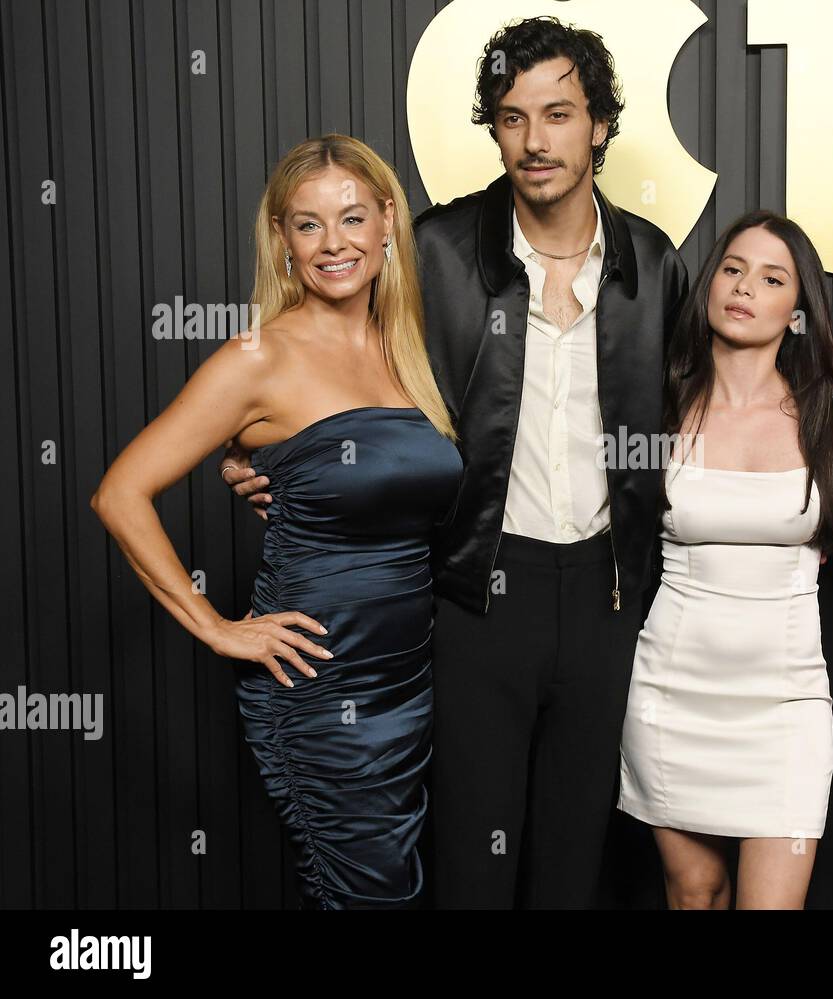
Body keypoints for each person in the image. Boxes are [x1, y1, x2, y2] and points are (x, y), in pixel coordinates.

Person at [221, 16, 688, 908]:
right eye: (513, 117)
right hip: (475, 587)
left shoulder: (652, 266)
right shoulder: (433, 252)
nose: (536, 140)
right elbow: (333, 371)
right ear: (494, 127)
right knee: (474, 863)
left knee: (574, 864)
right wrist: (260, 458)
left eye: (559, 114)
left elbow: (694, 411)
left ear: (599, 125)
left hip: (609, 594)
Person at [93, 134, 462, 908]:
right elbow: (120, 492)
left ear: (389, 222)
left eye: (353, 218)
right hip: (320, 683)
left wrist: (268, 469)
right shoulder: (258, 357)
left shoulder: (405, 350)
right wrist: (220, 626)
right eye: (308, 224)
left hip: (407, 681)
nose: (334, 244)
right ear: (282, 238)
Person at [617, 212, 833, 908]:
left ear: (797, 310)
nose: (744, 287)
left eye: (772, 277)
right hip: (670, 695)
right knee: (694, 890)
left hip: (785, 705)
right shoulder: (656, 406)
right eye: (733, 268)